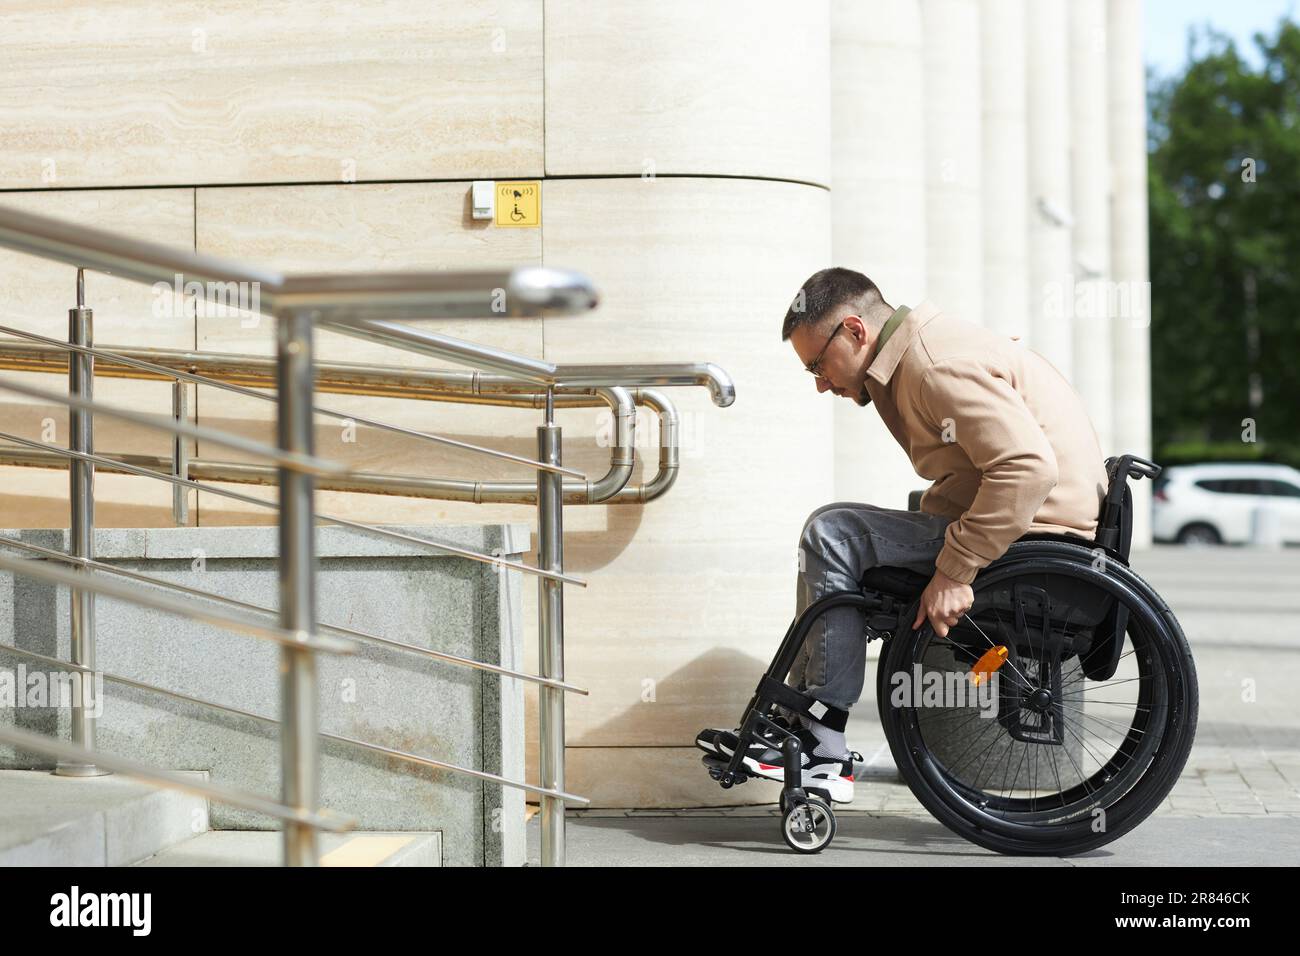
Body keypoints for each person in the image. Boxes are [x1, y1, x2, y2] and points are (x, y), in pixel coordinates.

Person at [696, 267, 1109, 804]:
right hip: (1035, 526)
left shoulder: (935, 366)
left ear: (855, 331)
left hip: (1039, 538)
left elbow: (1027, 469)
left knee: (834, 534)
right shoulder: (924, 353)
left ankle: (820, 736)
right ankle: (804, 716)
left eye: (818, 365)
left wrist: (955, 571)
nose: (821, 384)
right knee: (846, 534)